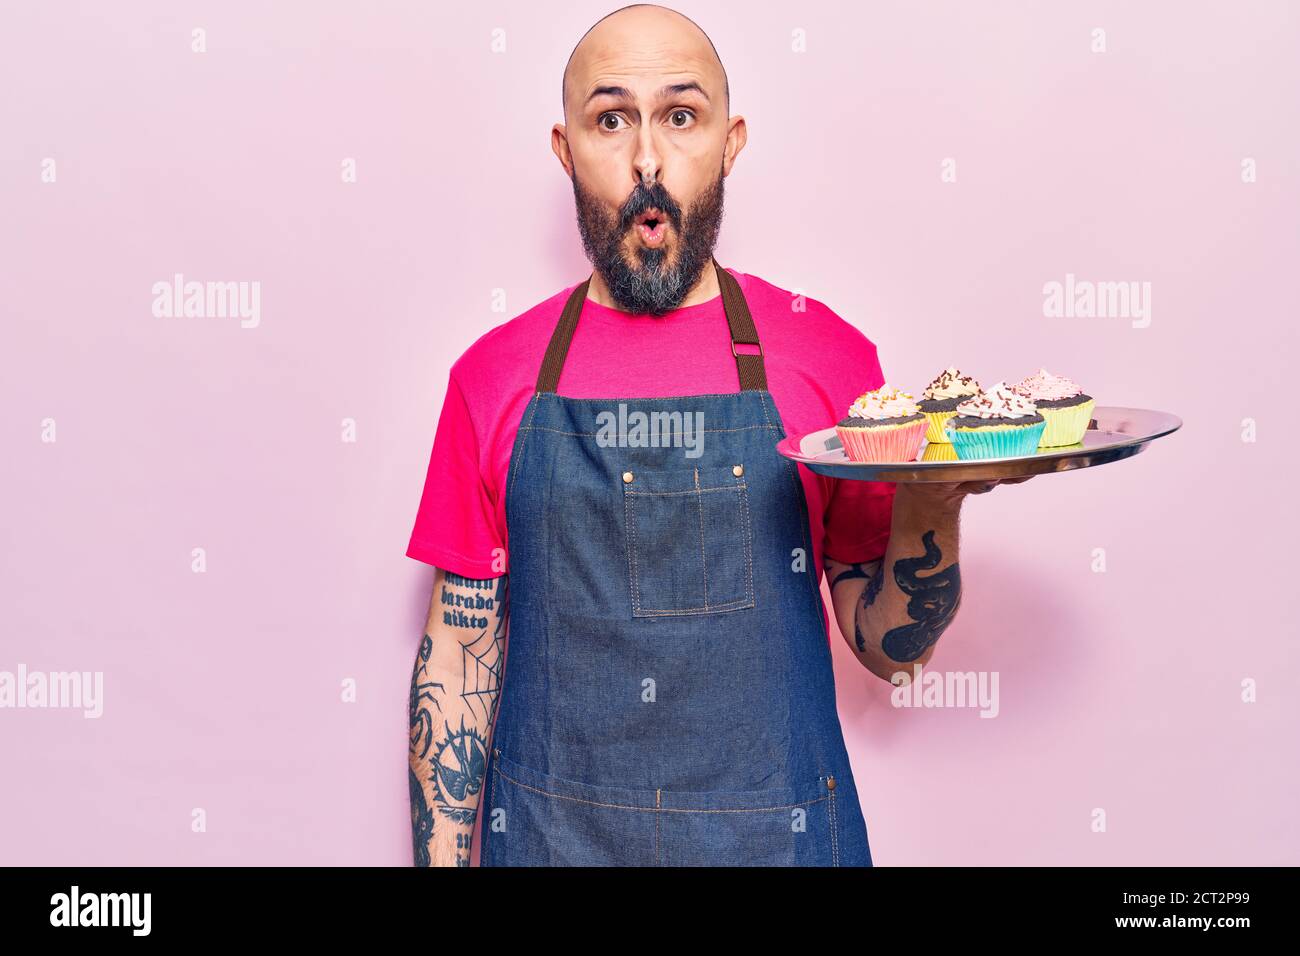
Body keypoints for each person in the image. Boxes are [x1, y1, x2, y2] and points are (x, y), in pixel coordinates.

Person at [405, 3, 1028, 867]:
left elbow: (890, 652)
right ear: (565, 149)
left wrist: (937, 500)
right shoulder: (493, 375)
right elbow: (459, 660)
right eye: (611, 119)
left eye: (681, 117)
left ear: (731, 142)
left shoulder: (831, 359)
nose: (647, 160)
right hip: (553, 843)